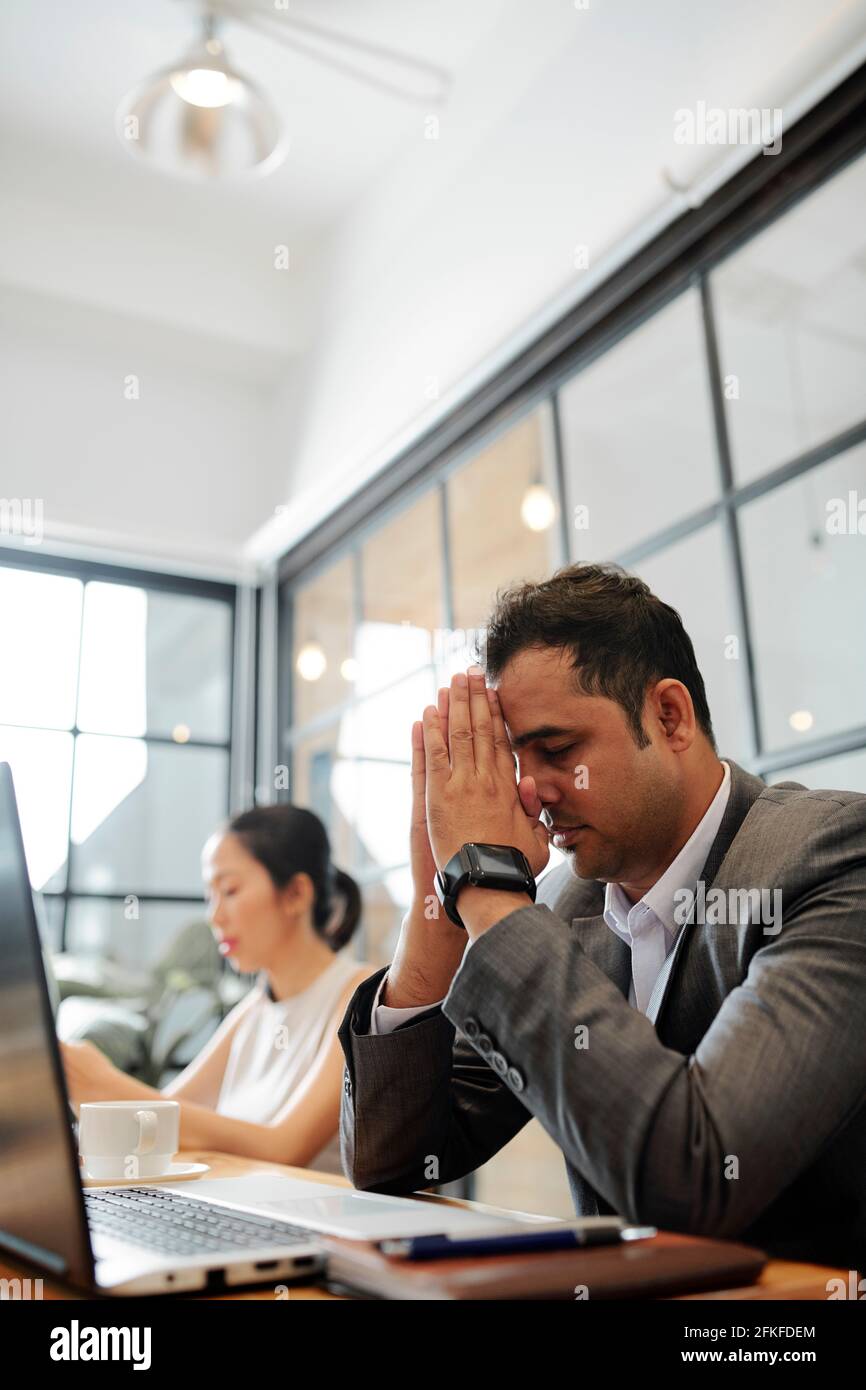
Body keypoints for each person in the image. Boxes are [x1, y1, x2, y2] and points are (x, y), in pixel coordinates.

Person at [338, 561, 866, 1270]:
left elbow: (699, 1176)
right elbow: (393, 1162)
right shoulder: (565, 909)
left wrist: (487, 893)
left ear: (669, 717)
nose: (531, 794)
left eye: (556, 752)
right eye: (516, 764)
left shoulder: (833, 857)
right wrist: (440, 900)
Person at [62, 805, 372, 1173]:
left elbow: (285, 1148)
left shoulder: (360, 996)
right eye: (211, 896)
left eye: (230, 890)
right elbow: (160, 1120)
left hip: (317, 1224)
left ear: (296, 895)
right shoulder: (254, 1010)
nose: (214, 916)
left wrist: (102, 1084)